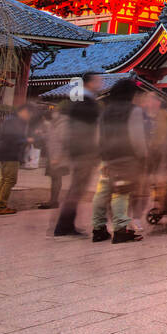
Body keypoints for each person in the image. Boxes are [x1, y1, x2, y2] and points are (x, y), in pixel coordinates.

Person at [91, 78, 148, 243]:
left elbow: (98, 137)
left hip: (107, 158)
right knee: (121, 193)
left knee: (101, 193)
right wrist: (143, 156)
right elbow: (136, 136)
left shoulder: (105, 111)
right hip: (126, 158)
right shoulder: (133, 110)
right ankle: (120, 229)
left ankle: (98, 228)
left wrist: (103, 157)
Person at [54, 74, 101, 237]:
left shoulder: (78, 100)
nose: (99, 83)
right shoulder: (84, 102)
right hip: (83, 151)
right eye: (97, 80)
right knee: (77, 189)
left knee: (77, 188)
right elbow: (86, 129)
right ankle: (63, 226)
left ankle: (66, 225)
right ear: (89, 83)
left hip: (80, 150)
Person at [0, 105, 32, 215]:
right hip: (10, 153)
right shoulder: (14, 121)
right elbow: (13, 137)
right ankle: (0, 206)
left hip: (6, 152)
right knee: (10, 179)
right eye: (28, 114)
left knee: (5, 179)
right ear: (23, 111)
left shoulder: (11, 119)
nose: (29, 117)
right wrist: (26, 139)